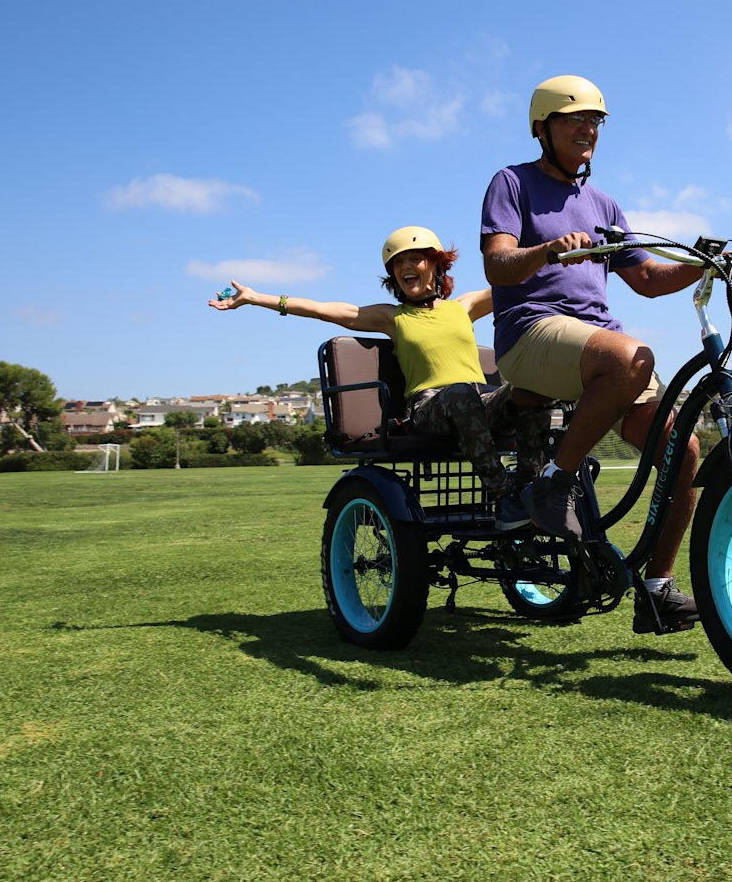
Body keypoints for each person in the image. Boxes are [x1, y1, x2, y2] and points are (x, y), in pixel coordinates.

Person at [480, 75, 705, 634]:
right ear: (542, 129)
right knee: (632, 357)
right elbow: (497, 265)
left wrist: (703, 261)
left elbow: (649, 277)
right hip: (529, 333)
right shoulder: (512, 183)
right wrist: (548, 249)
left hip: (596, 343)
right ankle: (553, 484)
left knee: (687, 451)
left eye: (595, 120)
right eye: (574, 118)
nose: (588, 128)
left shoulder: (603, 204)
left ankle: (656, 590)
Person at [208, 226, 549, 530]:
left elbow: (521, 276)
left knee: (535, 386)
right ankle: (505, 495)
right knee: (461, 393)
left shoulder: (463, 307)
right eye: (397, 264)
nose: (404, 268)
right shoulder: (392, 318)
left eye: (413, 259)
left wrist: (561, 250)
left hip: (480, 401)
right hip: (429, 407)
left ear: (435, 265)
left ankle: (532, 488)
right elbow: (319, 308)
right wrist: (256, 298)